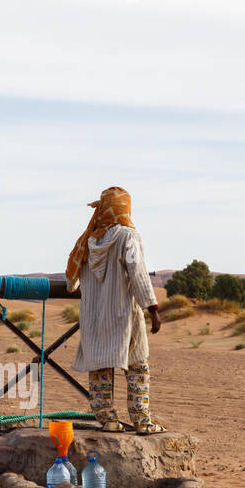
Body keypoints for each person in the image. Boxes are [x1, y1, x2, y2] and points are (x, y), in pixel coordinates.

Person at [66, 186, 165, 434]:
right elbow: (138, 273)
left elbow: (73, 280)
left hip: (93, 316)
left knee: (99, 368)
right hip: (123, 316)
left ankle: (107, 420)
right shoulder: (128, 237)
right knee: (138, 367)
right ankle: (142, 422)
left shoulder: (88, 240)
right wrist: (152, 307)